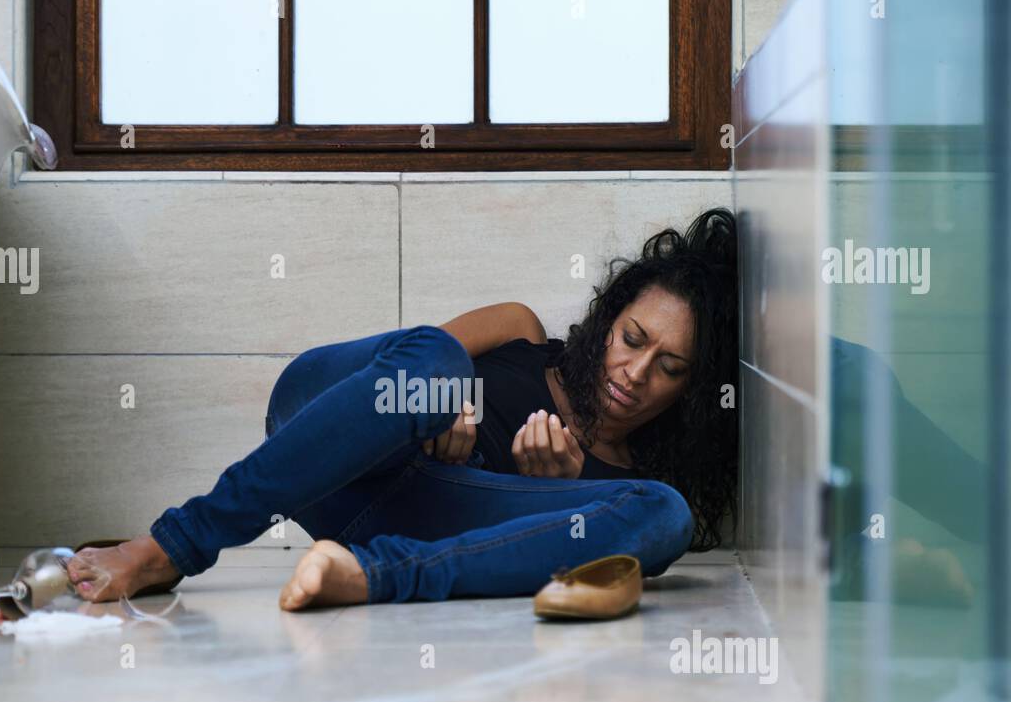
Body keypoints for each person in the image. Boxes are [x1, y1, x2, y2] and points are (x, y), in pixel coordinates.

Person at [68, 208, 739, 610]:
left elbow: (535, 534)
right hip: (326, 445)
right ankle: (175, 543)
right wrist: (436, 407)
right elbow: (407, 364)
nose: (636, 371)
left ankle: (369, 576)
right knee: (441, 363)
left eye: (670, 367)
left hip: (411, 523)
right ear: (607, 317)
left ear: (688, 392)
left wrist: (553, 491)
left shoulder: (620, 484)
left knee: (665, 514)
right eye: (633, 339)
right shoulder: (519, 329)